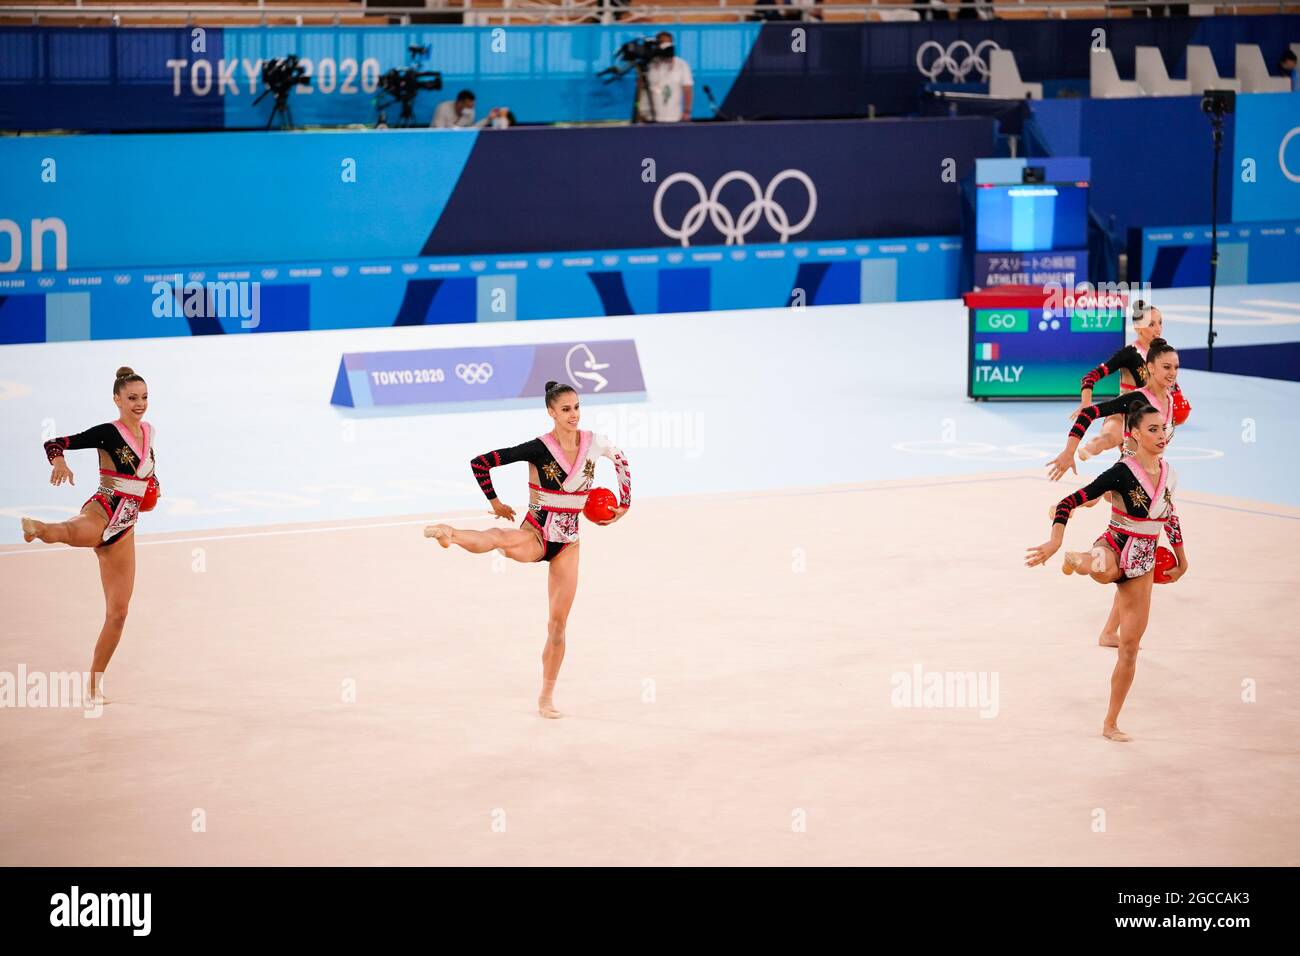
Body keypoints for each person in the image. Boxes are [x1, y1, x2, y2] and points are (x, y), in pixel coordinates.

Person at [424, 381, 631, 719]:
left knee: (558, 625)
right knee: (500, 538)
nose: (573, 415)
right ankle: (452, 534)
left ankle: (546, 697)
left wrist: (624, 505)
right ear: (551, 412)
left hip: (568, 544)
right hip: (536, 534)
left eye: (576, 407)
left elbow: (621, 462)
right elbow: (480, 463)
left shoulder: (595, 444)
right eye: (565, 409)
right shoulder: (538, 448)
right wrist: (496, 501)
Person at [1026, 403, 1189, 742]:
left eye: (1163, 430)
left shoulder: (1170, 474)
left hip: (1143, 563)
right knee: (1102, 568)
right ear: (1134, 433)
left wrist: (1181, 557)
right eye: (1152, 430)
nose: (1161, 436)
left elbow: (1169, 515)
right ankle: (1080, 560)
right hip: (1115, 544)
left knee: (1129, 648)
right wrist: (1055, 541)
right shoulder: (1121, 471)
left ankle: (1110, 723)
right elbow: (1069, 501)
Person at [20, 367, 159, 703]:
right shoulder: (107, 433)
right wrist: (59, 463)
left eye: (143, 397)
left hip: (125, 527)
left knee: (118, 613)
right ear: (117, 400)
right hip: (103, 509)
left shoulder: (149, 432)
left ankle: (94, 686)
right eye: (131, 398)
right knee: (72, 531)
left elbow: (145, 474)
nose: (139, 404)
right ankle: (38, 529)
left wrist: (151, 489)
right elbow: (55, 442)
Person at [1071, 301, 1180, 462]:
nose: (1158, 329)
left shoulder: (1162, 355)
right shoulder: (1129, 354)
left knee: (1135, 467)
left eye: (1160, 323)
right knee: (1107, 439)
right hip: (1124, 414)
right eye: (1151, 324)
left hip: (1148, 420)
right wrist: (1086, 403)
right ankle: (1087, 450)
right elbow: (1090, 377)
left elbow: (1171, 389)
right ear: (1138, 328)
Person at [636, 32, 694, 124]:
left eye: (669, 43)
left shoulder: (681, 64)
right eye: (663, 43)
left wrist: (687, 111)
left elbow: (687, 89)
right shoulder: (649, 64)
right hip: (650, 117)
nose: (666, 46)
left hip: (673, 117)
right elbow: (641, 88)